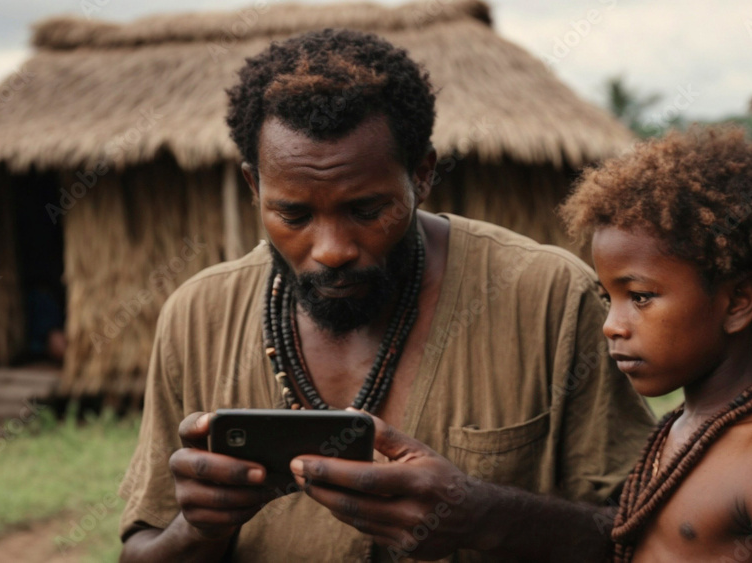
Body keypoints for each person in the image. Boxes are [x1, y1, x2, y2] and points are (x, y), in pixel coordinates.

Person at [119, 29, 655, 562]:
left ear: (422, 175)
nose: (331, 250)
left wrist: (483, 515)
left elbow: (648, 536)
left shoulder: (548, 299)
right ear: (254, 187)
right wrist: (197, 530)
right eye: (295, 215)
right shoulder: (197, 317)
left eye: (367, 210)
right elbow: (140, 552)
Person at [560, 125, 752, 562]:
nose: (611, 326)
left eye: (639, 297)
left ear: (738, 301)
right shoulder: (675, 433)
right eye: (610, 299)